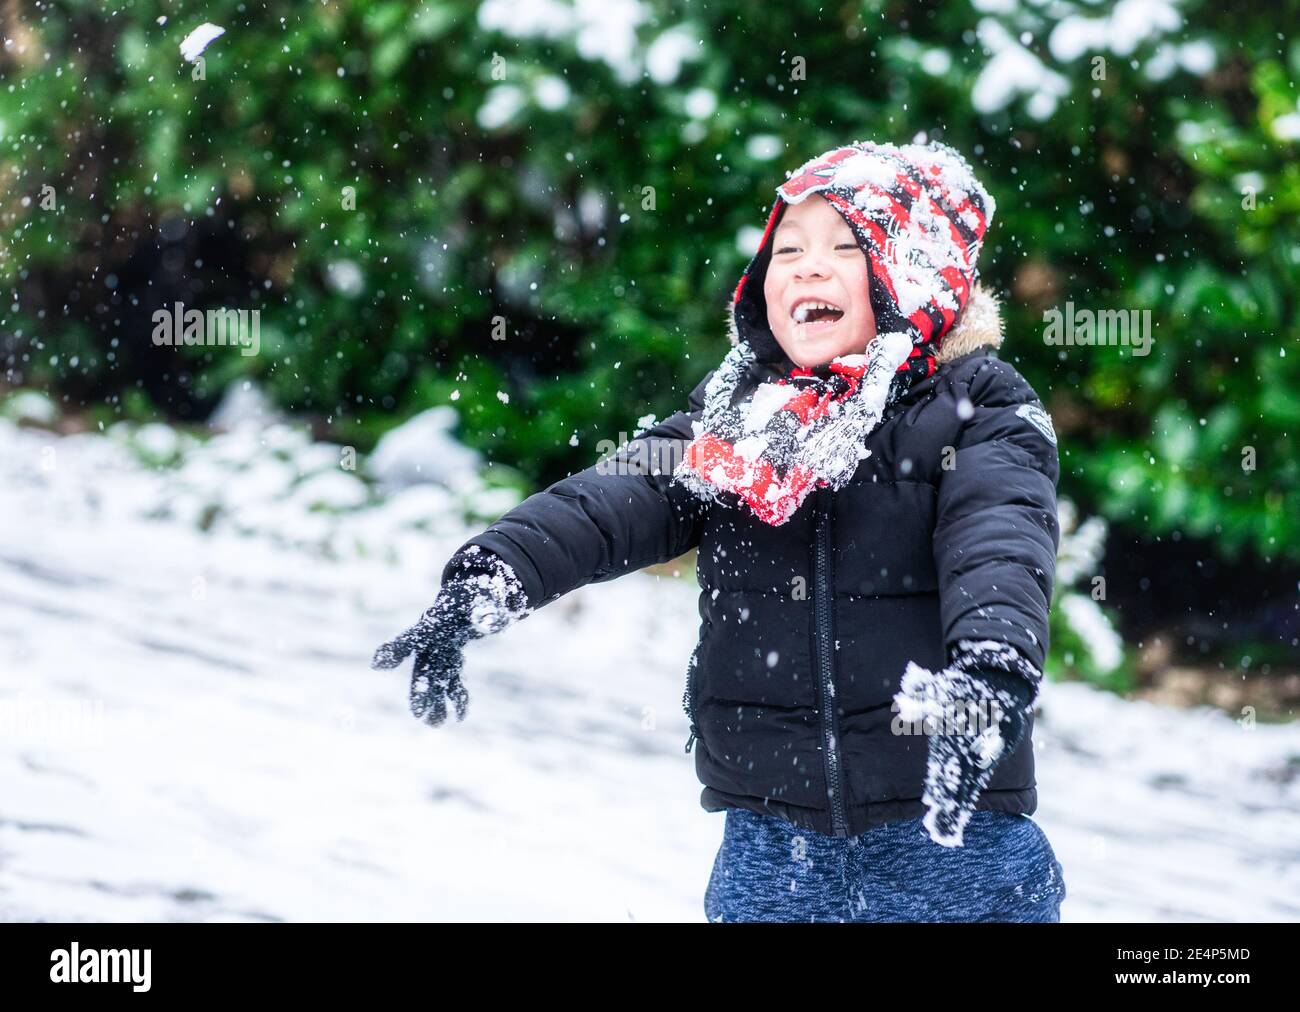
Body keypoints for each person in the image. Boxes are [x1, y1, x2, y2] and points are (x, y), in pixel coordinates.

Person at [372, 139, 1067, 922]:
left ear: (917, 270)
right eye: (788, 248)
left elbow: (1001, 534)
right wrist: (492, 575)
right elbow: (613, 498)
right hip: (769, 845)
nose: (806, 266)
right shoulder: (739, 412)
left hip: (948, 839)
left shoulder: (980, 408)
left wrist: (991, 670)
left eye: (846, 247)